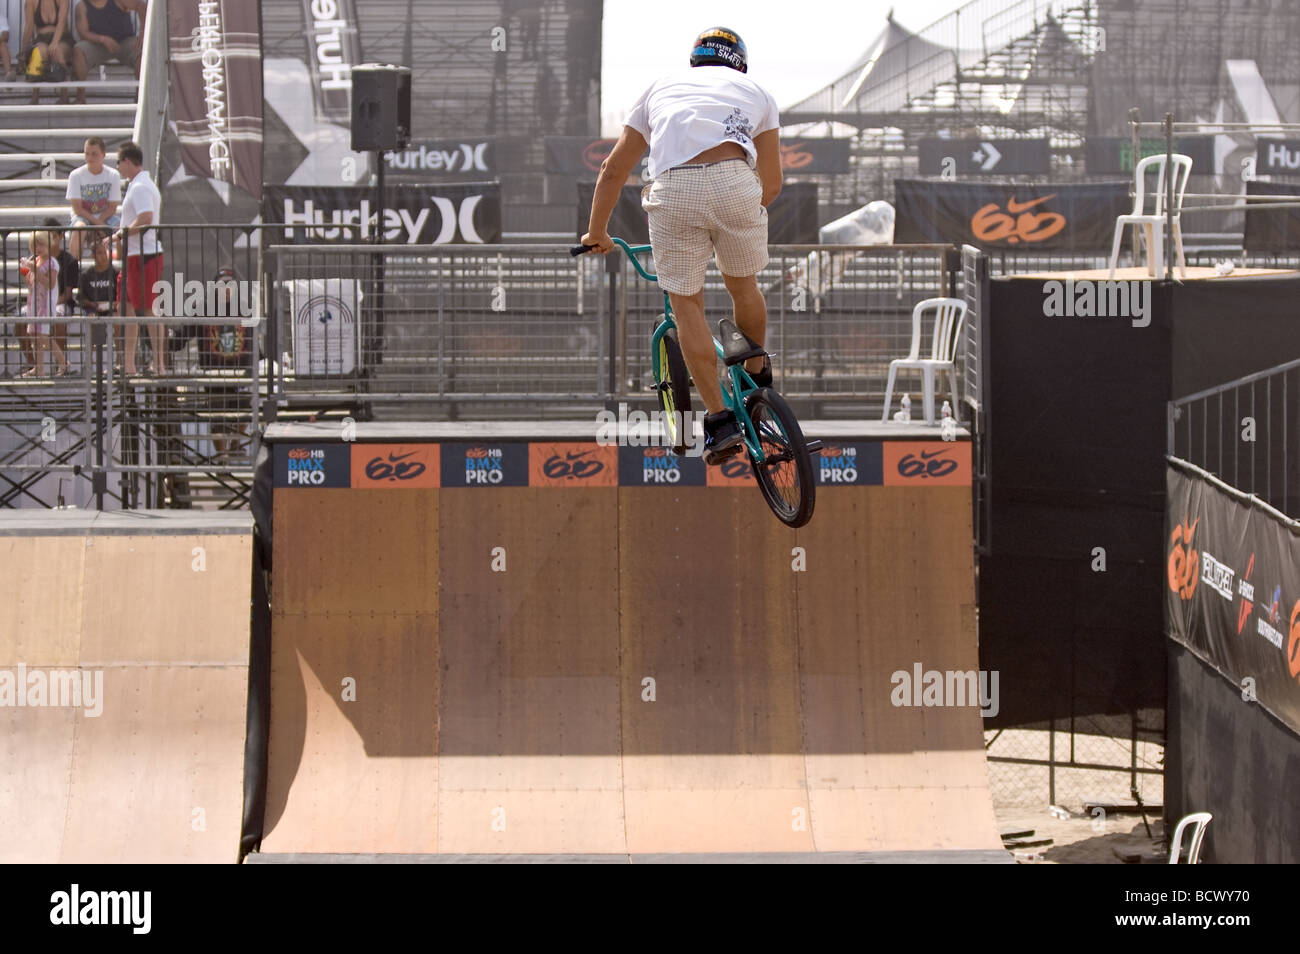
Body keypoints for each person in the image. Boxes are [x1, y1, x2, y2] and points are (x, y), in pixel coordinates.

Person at [581, 26, 782, 464]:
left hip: (675, 191)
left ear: (694, 60)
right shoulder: (757, 92)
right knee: (743, 287)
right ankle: (756, 378)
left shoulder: (658, 88)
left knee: (686, 303)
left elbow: (613, 171)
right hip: (735, 183)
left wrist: (597, 232)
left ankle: (719, 421)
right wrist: (743, 207)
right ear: (740, 64)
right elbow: (774, 182)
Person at [113, 140, 164, 375]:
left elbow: (145, 217)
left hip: (143, 255)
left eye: (118, 163)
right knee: (127, 308)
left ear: (127, 161)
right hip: (135, 254)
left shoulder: (141, 187)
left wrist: (123, 232)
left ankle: (160, 364)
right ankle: (129, 364)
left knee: (148, 309)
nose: (118, 168)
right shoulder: (140, 184)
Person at [71, 0, 144, 102]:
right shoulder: (81, 6)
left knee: (142, 51)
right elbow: (83, 33)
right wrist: (102, 39)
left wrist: (142, 32)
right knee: (78, 50)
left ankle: (139, 97)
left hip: (124, 42)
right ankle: (80, 96)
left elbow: (141, 6)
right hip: (97, 45)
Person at [20, 231, 68, 376]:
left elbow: (50, 284)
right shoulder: (36, 261)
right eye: (35, 245)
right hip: (34, 303)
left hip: (45, 305)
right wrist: (27, 275)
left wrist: (35, 270)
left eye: (41, 244)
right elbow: (32, 282)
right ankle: (39, 366)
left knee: (43, 336)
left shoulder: (52, 263)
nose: (38, 248)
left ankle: (60, 362)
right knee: (33, 335)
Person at [66, 136, 121, 259]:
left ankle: (121, 267)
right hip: (82, 217)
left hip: (106, 216)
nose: (90, 158)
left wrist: (99, 223)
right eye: (87, 154)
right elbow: (78, 209)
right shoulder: (76, 175)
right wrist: (98, 225)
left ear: (103, 155)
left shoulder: (113, 175)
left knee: (122, 231)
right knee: (79, 229)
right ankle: (73, 266)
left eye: (94, 154)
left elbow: (112, 208)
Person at [43, 217, 79, 364]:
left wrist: (51, 303)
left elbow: (68, 294)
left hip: (62, 302)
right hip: (41, 302)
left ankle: (61, 365)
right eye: (47, 237)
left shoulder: (70, 261)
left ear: (61, 237)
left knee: (58, 316)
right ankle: (32, 364)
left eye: (54, 236)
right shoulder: (37, 259)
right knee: (21, 319)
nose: (51, 240)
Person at [22, 0, 73, 105]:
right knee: (40, 51)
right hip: (41, 38)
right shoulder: (31, 2)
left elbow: (62, 22)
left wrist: (54, 42)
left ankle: (64, 96)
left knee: (57, 51)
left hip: (62, 38)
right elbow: (29, 26)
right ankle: (35, 97)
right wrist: (24, 50)